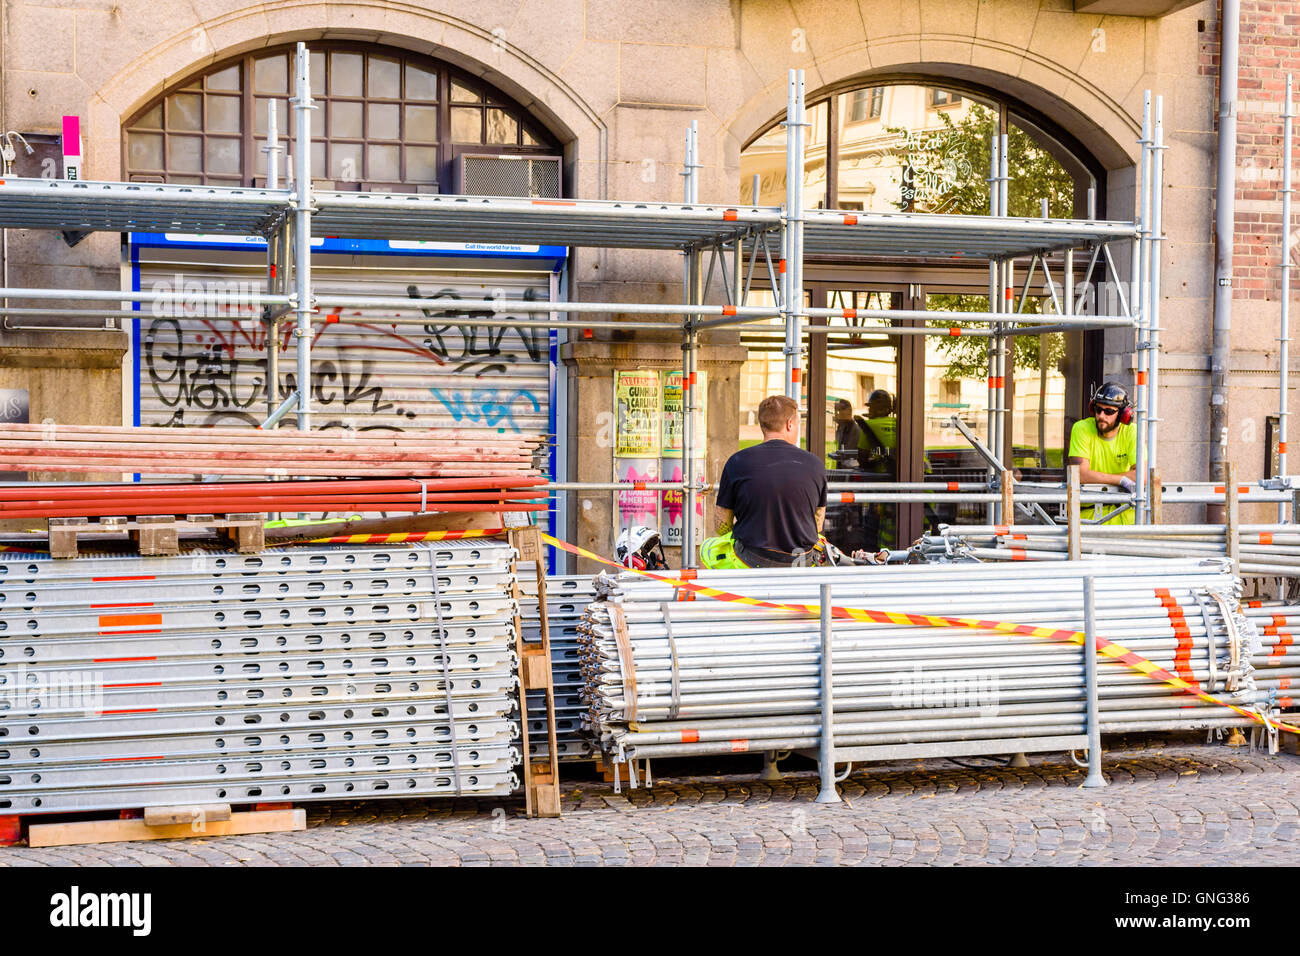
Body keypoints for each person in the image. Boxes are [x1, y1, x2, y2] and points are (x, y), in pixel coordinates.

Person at [707, 394, 828, 568]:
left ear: (762, 425)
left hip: (751, 558)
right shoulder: (815, 464)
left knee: (708, 549)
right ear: (789, 424)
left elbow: (721, 524)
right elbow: (818, 522)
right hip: (801, 561)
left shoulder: (738, 461)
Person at [1068, 381, 1137, 525]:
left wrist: (1096, 477)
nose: (1101, 415)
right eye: (1098, 409)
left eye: (1109, 411)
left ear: (1123, 415)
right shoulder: (1081, 429)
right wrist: (1121, 481)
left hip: (1127, 520)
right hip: (1090, 518)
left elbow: (1141, 476)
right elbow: (1079, 474)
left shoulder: (1132, 431)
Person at [856, 389, 897, 475]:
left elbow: (862, 458)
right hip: (918, 473)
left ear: (879, 410)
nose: (868, 410)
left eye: (870, 407)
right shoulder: (900, 423)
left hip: (886, 476)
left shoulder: (869, 425)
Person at [832, 399, 862, 465]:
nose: (837, 413)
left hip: (850, 467)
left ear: (849, 411)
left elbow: (848, 453)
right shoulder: (841, 427)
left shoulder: (854, 429)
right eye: (836, 410)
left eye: (839, 410)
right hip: (842, 466)